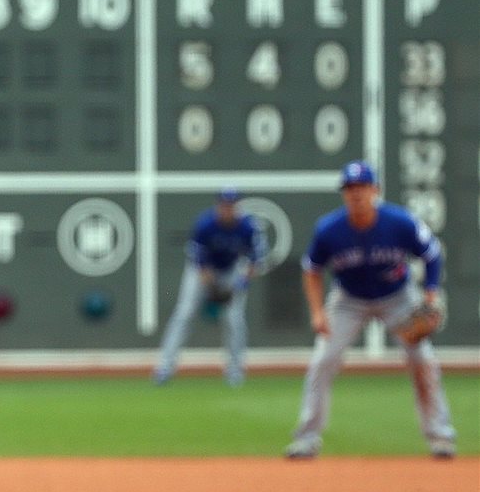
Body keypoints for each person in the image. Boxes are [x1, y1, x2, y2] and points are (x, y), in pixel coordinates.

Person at [285, 160, 456, 460]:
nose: (356, 194)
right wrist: (317, 312)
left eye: (362, 187)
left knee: (422, 360)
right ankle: (306, 438)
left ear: (375, 190)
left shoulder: (399, 222)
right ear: (343, 194)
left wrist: (430, 294)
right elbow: (311, 270)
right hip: (348, 300)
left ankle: (440, 437)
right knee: (323, 360)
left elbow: (432, 254)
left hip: (397, 297)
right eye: (350, 188)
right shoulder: (329, 230)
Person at [152, 188, 265, 387]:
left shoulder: (248, 227)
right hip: (202, 273)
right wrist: (212, 287)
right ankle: (164, 368)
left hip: (231, 271)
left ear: (237, 206)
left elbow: (255, 260)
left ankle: (235, 371)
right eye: (224, 204)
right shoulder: (205, 225)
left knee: (234, 319)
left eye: (231, 205)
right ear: (218, 205)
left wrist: (239, 284)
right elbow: (199, 261)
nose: (227, 208)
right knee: (185, 313)